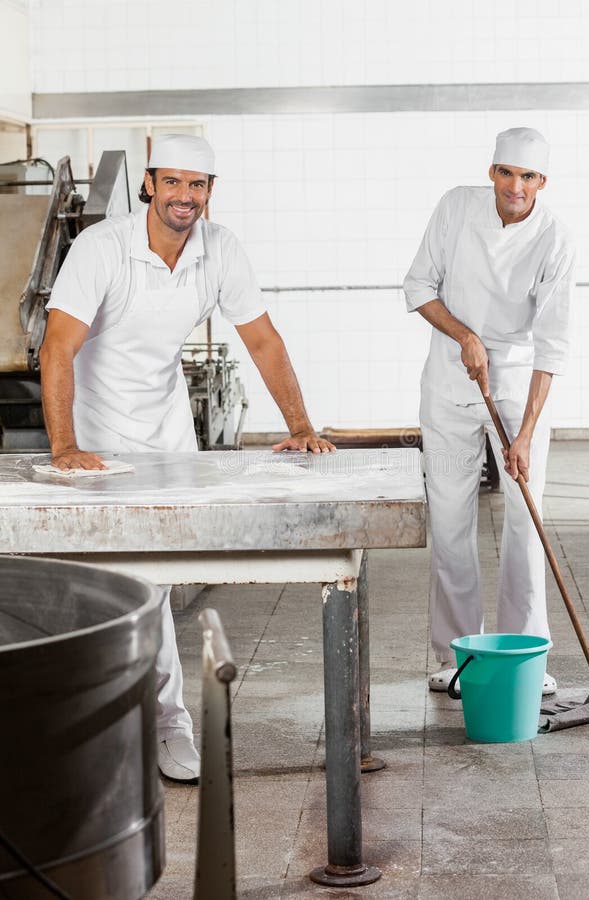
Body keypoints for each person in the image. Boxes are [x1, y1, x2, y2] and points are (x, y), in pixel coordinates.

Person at [40, 134, 335, 781]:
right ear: (148, 184)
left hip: (169, 435)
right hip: (96, 440)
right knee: (107, 586)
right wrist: (64, 446)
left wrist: (301, 425)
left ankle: (168, 726)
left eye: (196, 185)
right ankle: (106, 722)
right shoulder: (102, 248)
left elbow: (261, 339)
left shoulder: (218, 250)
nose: (184, 197)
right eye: (172, 182)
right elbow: (57, 348)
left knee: (156, 584)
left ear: (209, 192)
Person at [403, 127, 574, 695]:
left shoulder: (554, 239)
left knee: (525, 522)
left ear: (542, 182)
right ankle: (458, 657)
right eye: (507, 173)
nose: (515, 186)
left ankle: (527, 652)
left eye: (528, 177)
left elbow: (552, 347)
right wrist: (463, 335)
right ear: (492, 172)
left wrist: (523, 435)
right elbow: (419, 287)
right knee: (450, 521)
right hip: (450, 383)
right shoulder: (456, 207)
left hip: (518, 386)